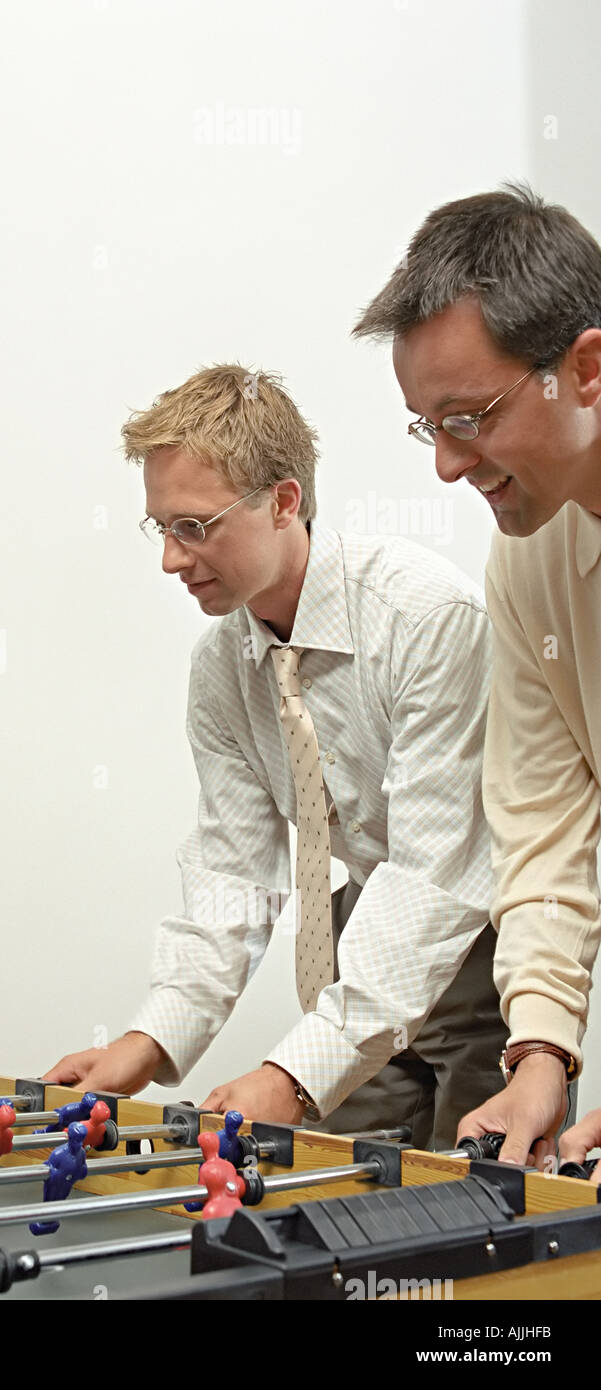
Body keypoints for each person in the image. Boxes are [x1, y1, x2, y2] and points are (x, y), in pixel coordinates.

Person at [45, 365, 504, 1147]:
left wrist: (291, 1075)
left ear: (283, 502)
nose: (169, 559)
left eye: (194, 526)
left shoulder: (426, 616)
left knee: (480, 1216)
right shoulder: (221, 669)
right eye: (159, 527)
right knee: (341, 1198)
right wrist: (147, 1042)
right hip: (363, 936)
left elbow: (434, 875)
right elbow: (234, 873)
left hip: (484, 934)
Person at [352, 184, 601, 1171]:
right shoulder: (529, 565)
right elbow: (543, 820)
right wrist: (539, 1049)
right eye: (427, 427)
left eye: (469, 418)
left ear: (584, 370)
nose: (448, 466)